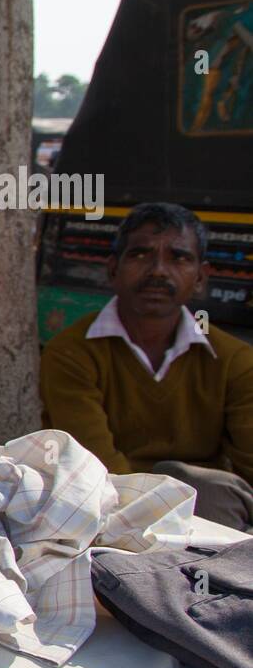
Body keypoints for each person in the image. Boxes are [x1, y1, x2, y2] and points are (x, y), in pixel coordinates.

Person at [40, 202, 253, 532]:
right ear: (113, 270)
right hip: (105, 513)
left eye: (178, 257)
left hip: (207, 514)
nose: (158, 270)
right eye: (140, 254)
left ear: (200, 278)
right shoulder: (70, 353)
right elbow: (99, 471)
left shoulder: (234, 361)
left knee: (216, 493)